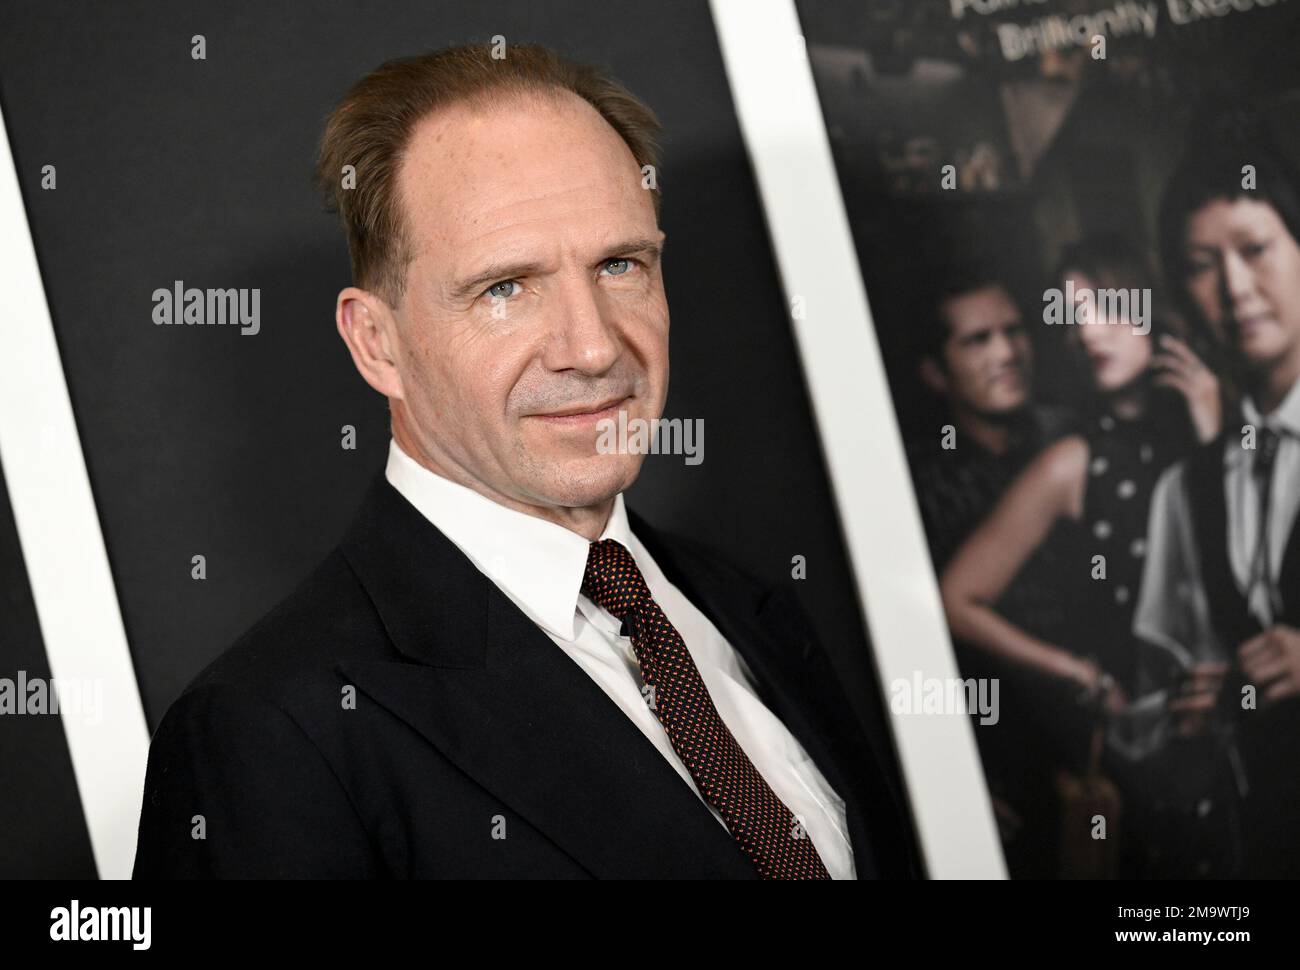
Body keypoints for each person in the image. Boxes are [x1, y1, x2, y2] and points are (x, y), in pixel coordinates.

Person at [130, 43, 917, 880]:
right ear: (377, 343)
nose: (592, 346)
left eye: (620, 265)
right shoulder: (271, 734)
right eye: (505, 287)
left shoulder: (748, 611)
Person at [938, 234, 1222, 877]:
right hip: (1151, 754)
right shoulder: (1071, 462)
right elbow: (956, 599)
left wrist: (1212, 434)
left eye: (1107, 309)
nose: (1089, 332)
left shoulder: (1233, 424)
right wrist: (1078, 673)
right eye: (1074, 315)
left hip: (1252, 731)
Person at [1134, 111, 1300, 878]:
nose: (1235, 288)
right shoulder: (1190, 487)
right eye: (1202, 265)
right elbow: (1170, 706)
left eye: (1256, 250)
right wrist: (1205, 704)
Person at [906, 267, 1076, 571]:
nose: (1006, 353)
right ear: (935, 374)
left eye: (1013, 331)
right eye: (978, 340)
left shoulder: (1073, 434)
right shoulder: (922, 483)